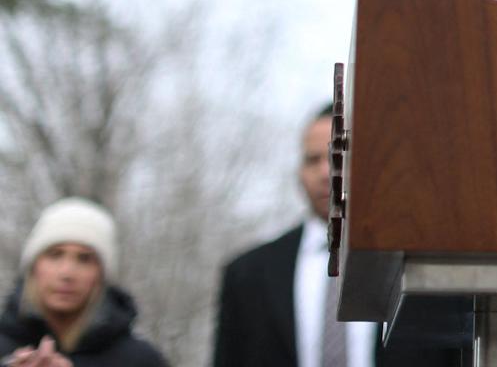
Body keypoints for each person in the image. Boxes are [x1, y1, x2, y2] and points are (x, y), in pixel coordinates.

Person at [212, 106, 456, 367]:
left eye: (338, 157)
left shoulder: (423, 266)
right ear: (299, 171)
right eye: (312, 159)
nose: (325, 173)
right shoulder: (248, 275)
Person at [0, 197, 167, 367]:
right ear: (34, 265)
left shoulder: (141, 361)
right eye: (55, 254)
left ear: (102, 274)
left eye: (85, 259)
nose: (67, 273)